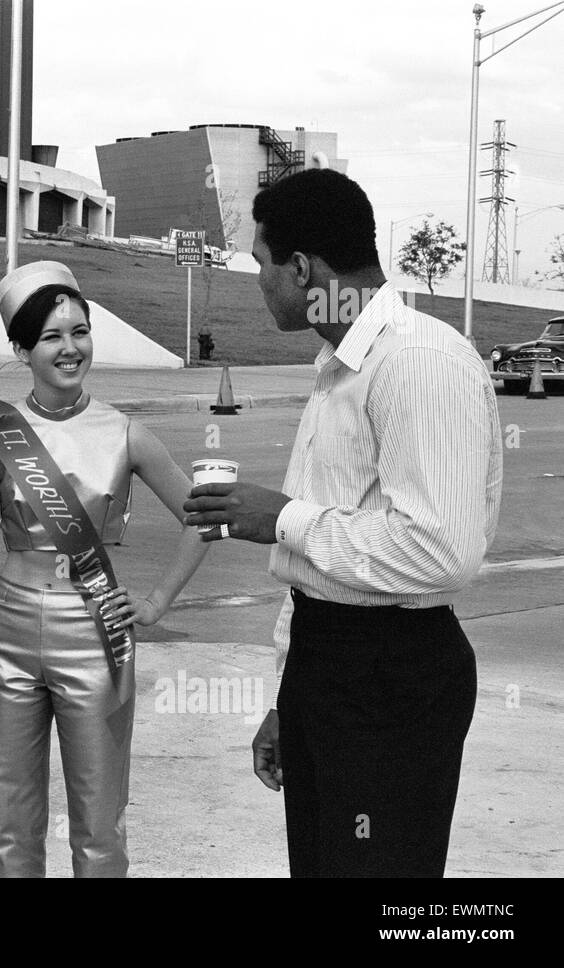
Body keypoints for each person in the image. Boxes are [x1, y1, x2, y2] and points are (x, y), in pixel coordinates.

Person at [184, 168, 502, 877]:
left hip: (391, 677)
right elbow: (318, 574)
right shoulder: (339, 368)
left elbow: (443, 551)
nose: (258, 283)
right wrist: (285, 698)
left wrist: (285, 518)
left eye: (260, 266)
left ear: (301, 269)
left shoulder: (417, 362)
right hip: (327, 665)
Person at [0, 261, 208, 878]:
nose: (70, 349)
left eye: (80, 331)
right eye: (51, 337)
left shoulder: (126, 433)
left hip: (98, 634)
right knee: (10, 820)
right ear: (21, 348)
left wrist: (155, 604)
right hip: (8, 631)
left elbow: (203, 517)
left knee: (99, 822)